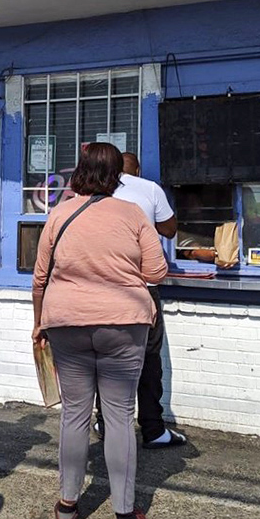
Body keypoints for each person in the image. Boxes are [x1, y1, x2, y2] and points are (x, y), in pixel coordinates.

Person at [32, 143, 167, 519]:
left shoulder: (59, 213)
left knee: (74, 413)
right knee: (121, 415)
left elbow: (40, 277)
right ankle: (125, 516)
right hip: (124, 324)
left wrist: (38, 323)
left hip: (66, 322)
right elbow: (156, 272)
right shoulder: (132, 214)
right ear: (117, 176)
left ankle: (67, 506)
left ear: (79, 172)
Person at [98, 151, 188, 448]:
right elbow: (170, 230)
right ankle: (153, 427)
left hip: (104, 286)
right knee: (149, 358)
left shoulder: (96, 192)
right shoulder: (149, 188)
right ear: (136, 169)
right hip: (142, 288)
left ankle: (104, 421)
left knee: (106, 357)